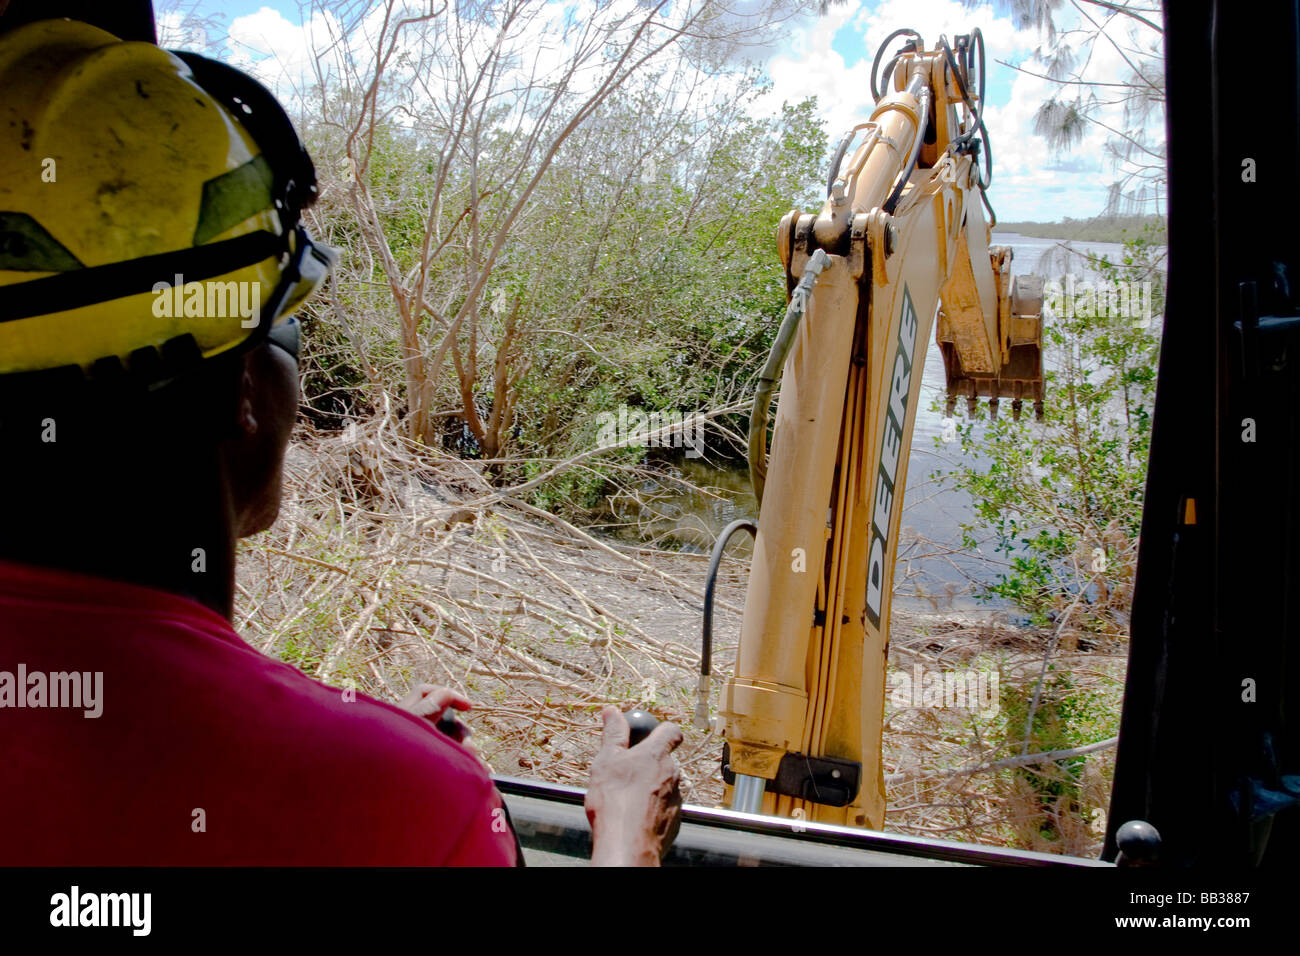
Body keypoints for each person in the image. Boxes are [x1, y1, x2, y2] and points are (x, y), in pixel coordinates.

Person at [0, 15, 682, 866]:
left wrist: (358, 737)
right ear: (245, 387)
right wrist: (626, 835)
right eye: (286, 332)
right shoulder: (414, 812)